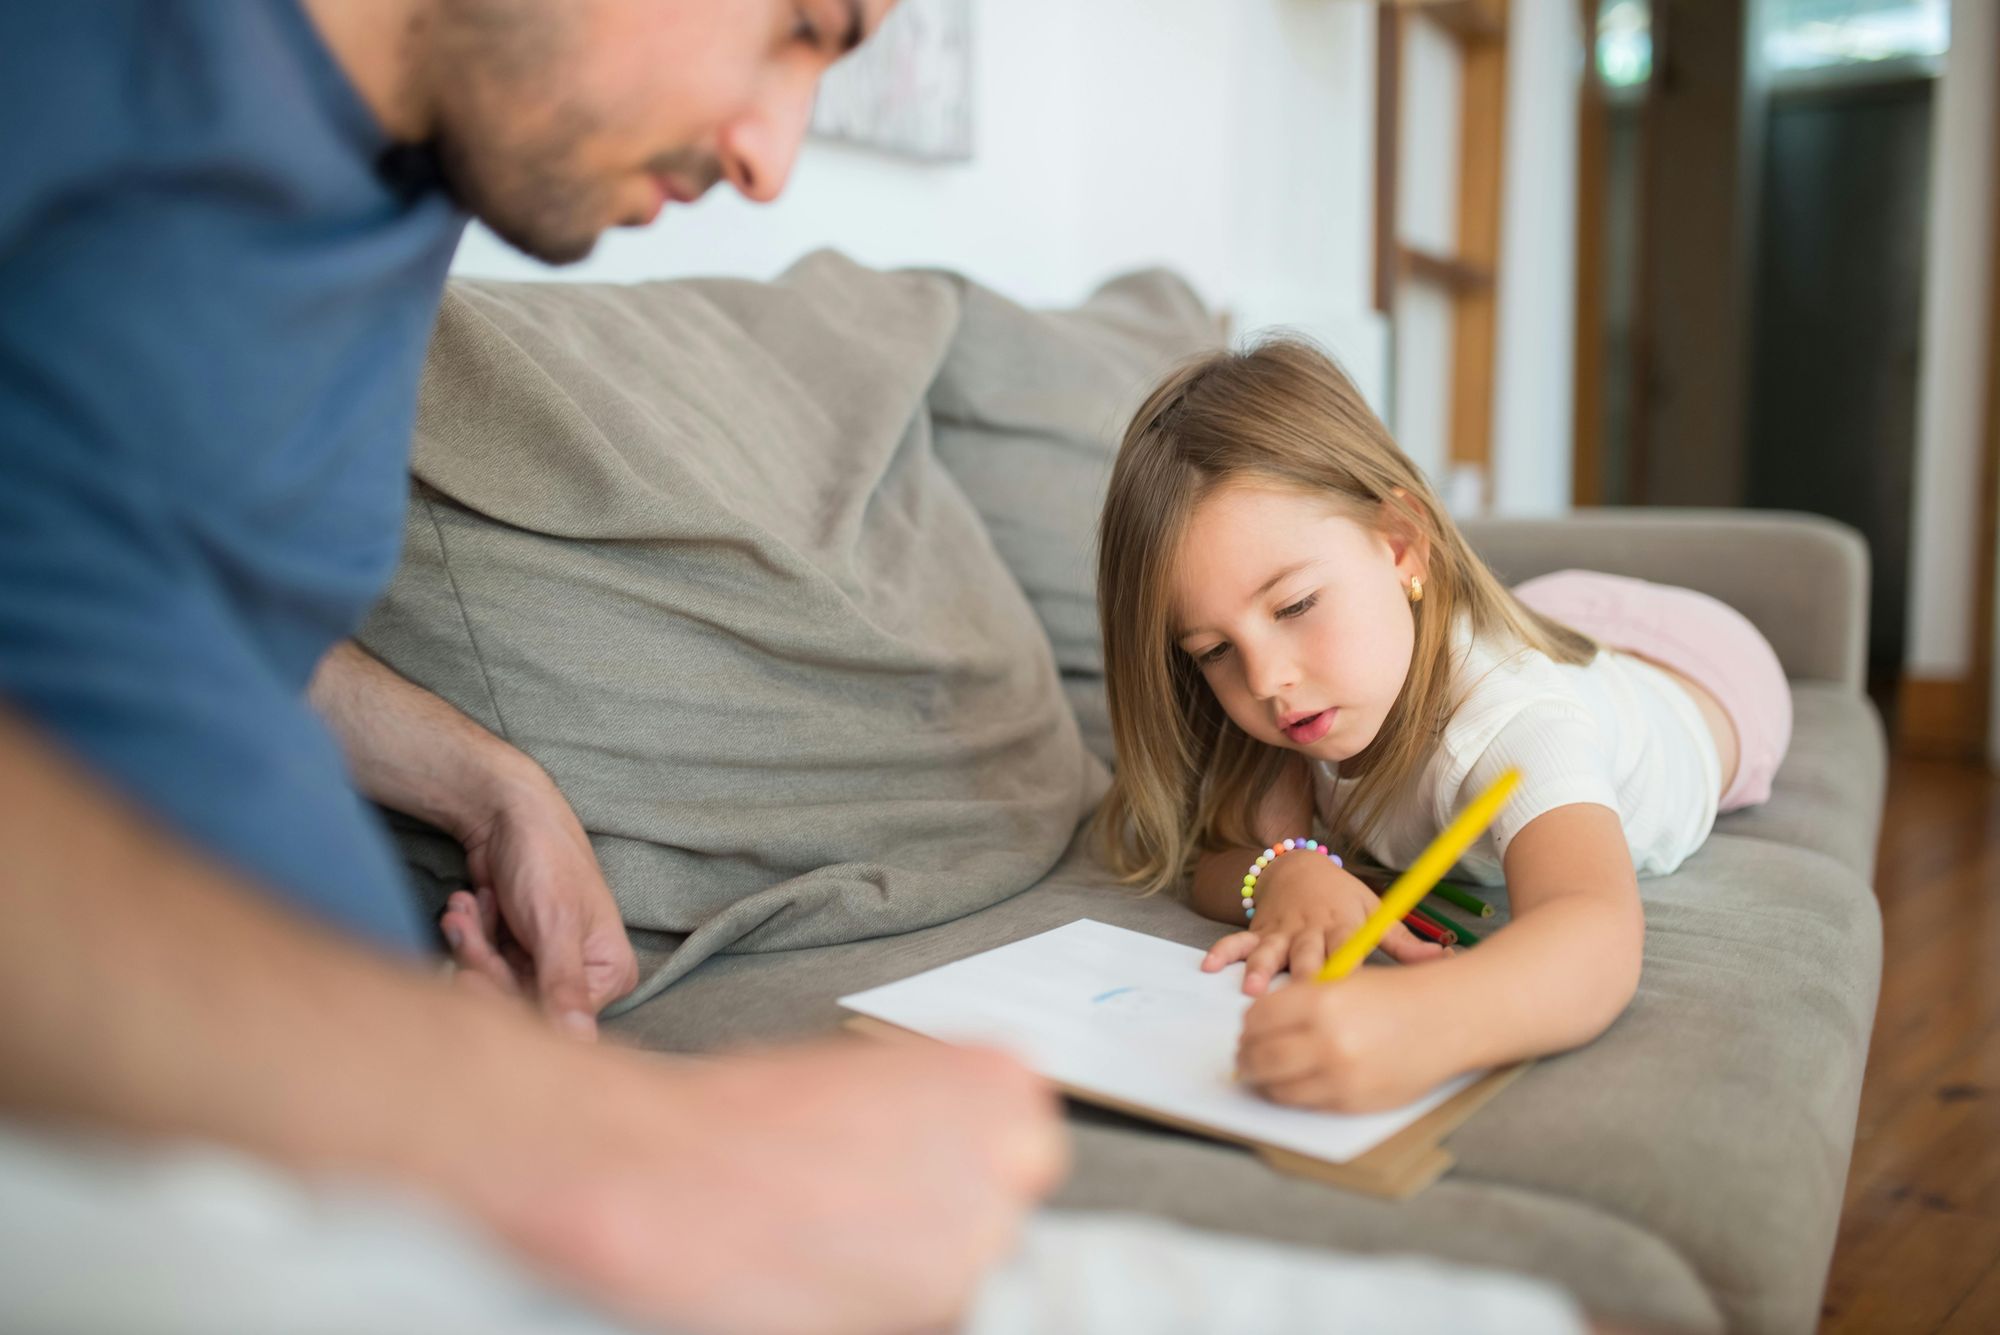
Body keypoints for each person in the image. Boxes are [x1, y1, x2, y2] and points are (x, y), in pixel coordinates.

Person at [1092, 337, 1792, 1113]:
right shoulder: (1300, 706)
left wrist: (1418, 1023)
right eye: (1215, 650)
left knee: (1542, 666)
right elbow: (1222, 858)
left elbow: (1593, 931)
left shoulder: (1517, 729)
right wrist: (1287, 871)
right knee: (1529, 637)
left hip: (1706, 673)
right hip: (1542, 624)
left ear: (1400, 544)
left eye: (1293, 606)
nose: (1265, 679)